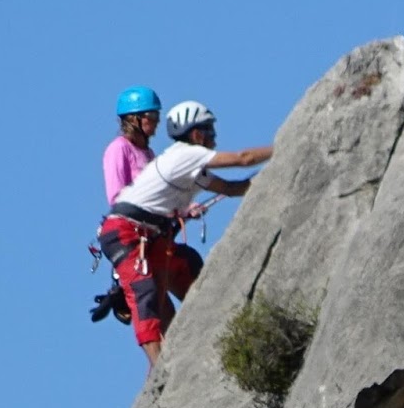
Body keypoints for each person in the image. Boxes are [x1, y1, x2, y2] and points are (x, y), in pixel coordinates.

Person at [97, 100, 273, 369]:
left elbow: (229, 187)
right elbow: (243, 159)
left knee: (185, 266)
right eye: (210, 131)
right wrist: (283, 148)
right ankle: (159, 370)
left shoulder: (186, 163)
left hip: (149, 233)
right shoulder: (186, 154)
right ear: (197, 134)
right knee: (144, 291)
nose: (214, 137)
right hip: (125, 232)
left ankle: (194, 338)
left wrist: (269, 177)